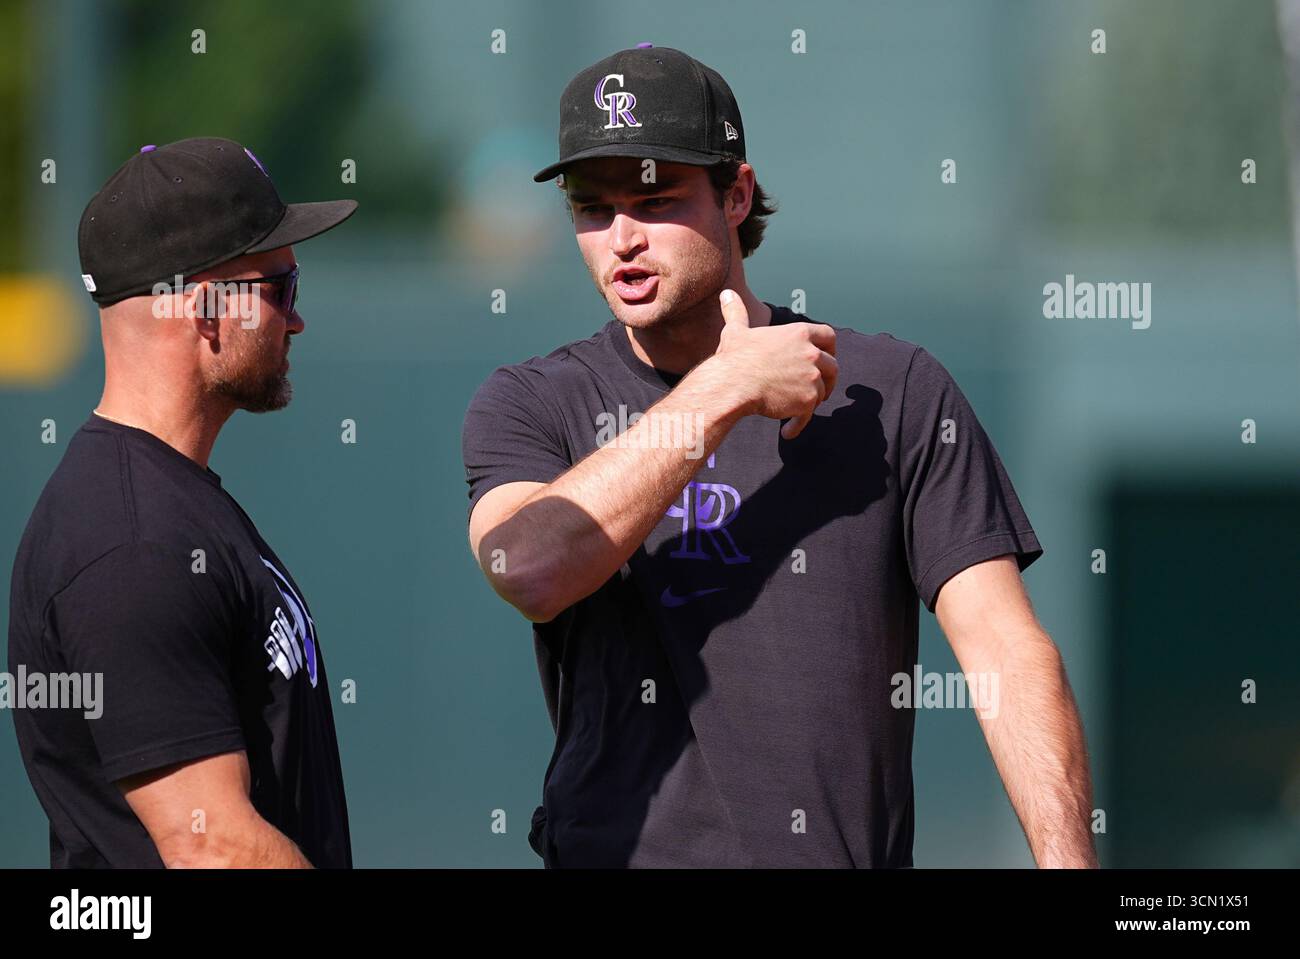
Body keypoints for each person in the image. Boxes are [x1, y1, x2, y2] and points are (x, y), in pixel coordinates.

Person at [462, 46, 1098, 867]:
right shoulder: (531, 401)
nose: (621, 239)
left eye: (654, 199)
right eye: (592, 208)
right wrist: (722, 390)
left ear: (737, 193)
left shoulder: (892, 391)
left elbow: (1006, 650)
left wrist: (1067, 860)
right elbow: (527, 568)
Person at [8, 137, 356, 867]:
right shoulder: (131, 541)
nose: (296, 320)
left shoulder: (163, 505)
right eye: (280, 289)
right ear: (206, 311)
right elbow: (211, 845)